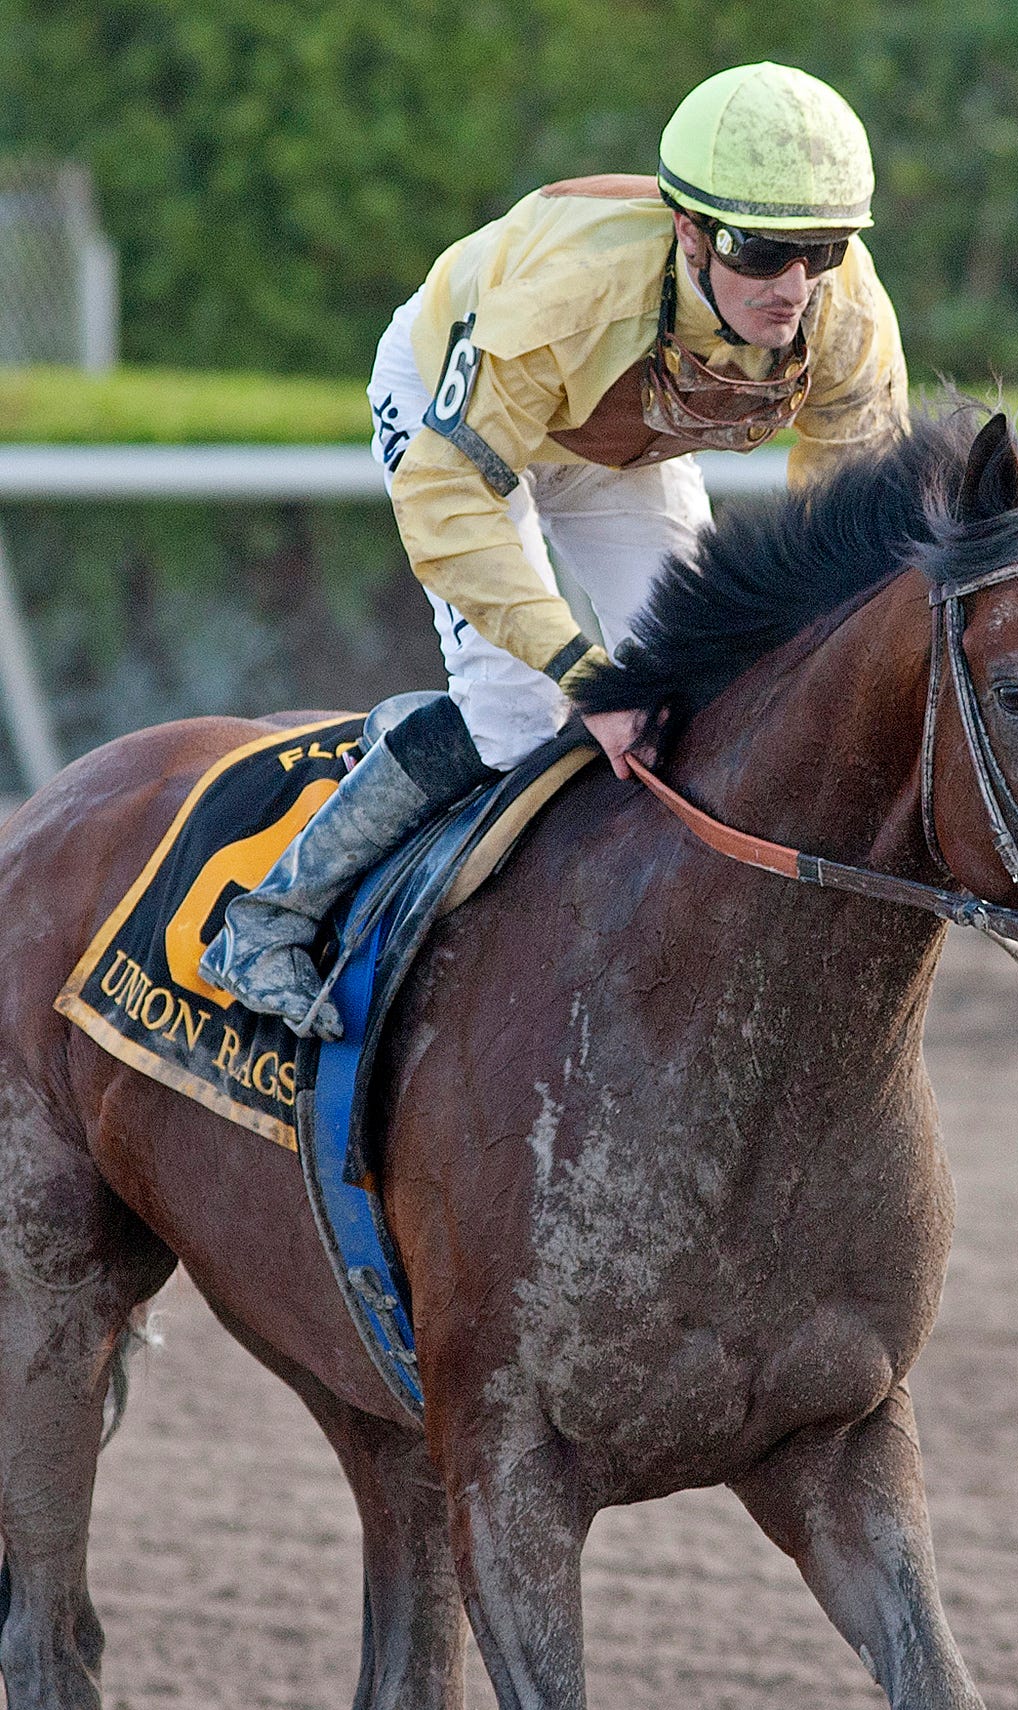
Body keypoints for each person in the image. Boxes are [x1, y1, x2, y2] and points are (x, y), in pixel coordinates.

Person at [200, 61, 909, 1039]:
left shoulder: (847, 316)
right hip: (459, 419)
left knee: (708, 694)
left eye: (820, 250)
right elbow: (453, 504)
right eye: (758, 250)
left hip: (617, 441)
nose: (790, 287)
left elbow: (849, 519)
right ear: (689, 232)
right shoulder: (567, 296)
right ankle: (267, 917)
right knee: (518, 708)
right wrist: (584, 675)